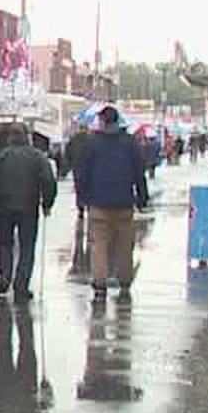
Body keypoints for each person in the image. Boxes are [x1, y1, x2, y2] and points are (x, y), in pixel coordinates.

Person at [74, 105, 150, 303]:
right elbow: (139, 172)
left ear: (102, 121)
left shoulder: (92, 143)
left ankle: (100, 283)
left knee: (99, 243)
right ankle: (124, 280)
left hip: (98, 203)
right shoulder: (129, 142)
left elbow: (83, 173)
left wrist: (83, 199)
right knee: (125, 244)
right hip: (124, 202)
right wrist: (142, 198)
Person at [0, 126, 58, 302]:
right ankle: (21, 283)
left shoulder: (1, 156)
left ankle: (5, 276)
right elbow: (49, 181)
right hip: (29, 207)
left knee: (5, 243)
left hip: (4, 206)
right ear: (27, 138)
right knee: (27, 246)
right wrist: (47, 203)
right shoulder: (37, 157)